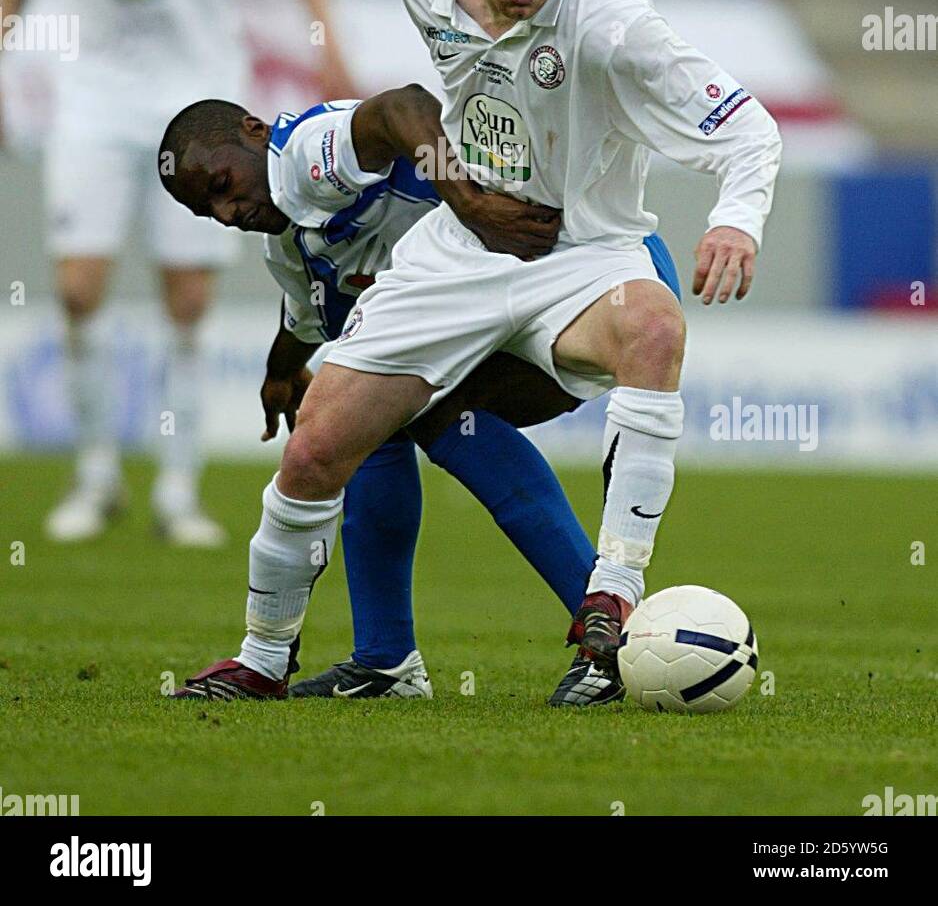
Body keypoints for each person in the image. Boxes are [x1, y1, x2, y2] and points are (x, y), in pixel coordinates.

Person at [166, 0, 782, 709]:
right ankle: (264, 659)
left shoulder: (613, 27)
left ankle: (612, 597)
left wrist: (735, 223)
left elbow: (749, 128)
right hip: (455, 259)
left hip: (580, 252)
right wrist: (470, 204)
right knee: (315, 449)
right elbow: (425, 105)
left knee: (654, 327)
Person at [157, 85, 681, 700]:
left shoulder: (301, 151)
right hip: (512, 311)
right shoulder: (292, 247)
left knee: (430, 412)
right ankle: (386, 662)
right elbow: (304, 321)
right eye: (205, 212)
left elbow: (403, 107)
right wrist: (280, 373)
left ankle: (605, 642)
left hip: (590, 275)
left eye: (220, 185)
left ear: (253, 132)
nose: (225, 213)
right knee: (379, 421)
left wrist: (472, 205)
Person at [0, 0, 356, 547]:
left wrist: (329, 46)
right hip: (90, 100)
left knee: (187, 300)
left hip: (196, 109)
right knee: (81, 288)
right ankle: (95, 475)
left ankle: (179, 488)